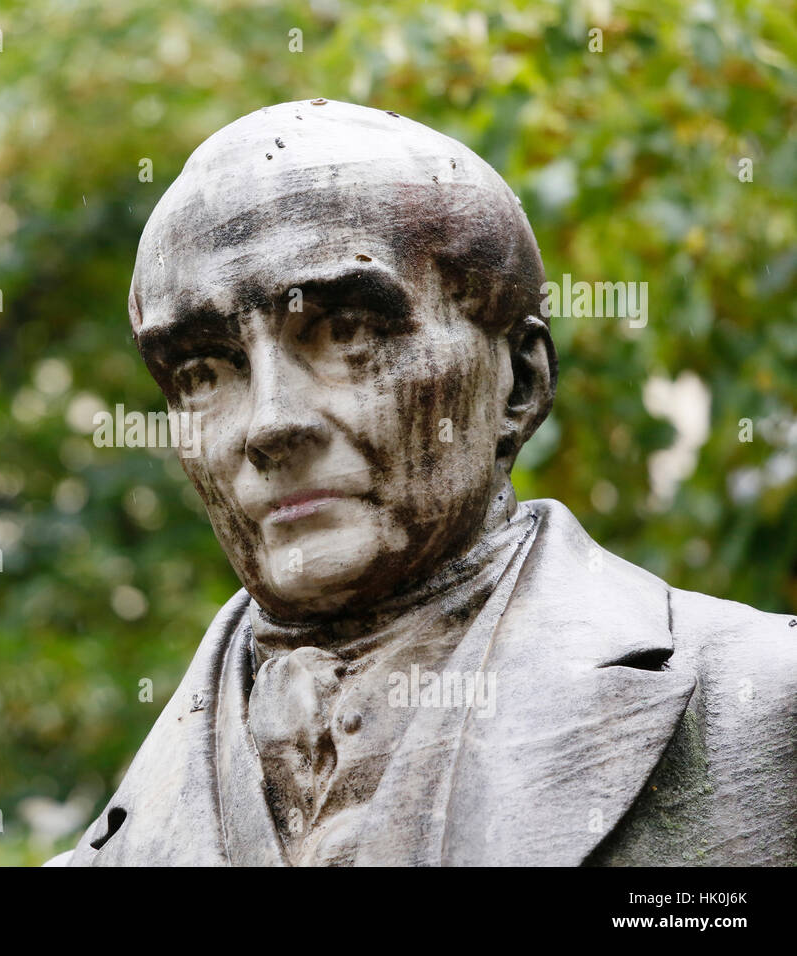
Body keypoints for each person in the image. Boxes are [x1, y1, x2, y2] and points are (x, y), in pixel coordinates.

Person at [54, 100, 797, 866]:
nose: (269, 425)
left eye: (347, 333)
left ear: (519, 383)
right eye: (202, 370)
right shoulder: (103, 853)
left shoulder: (769, 708)